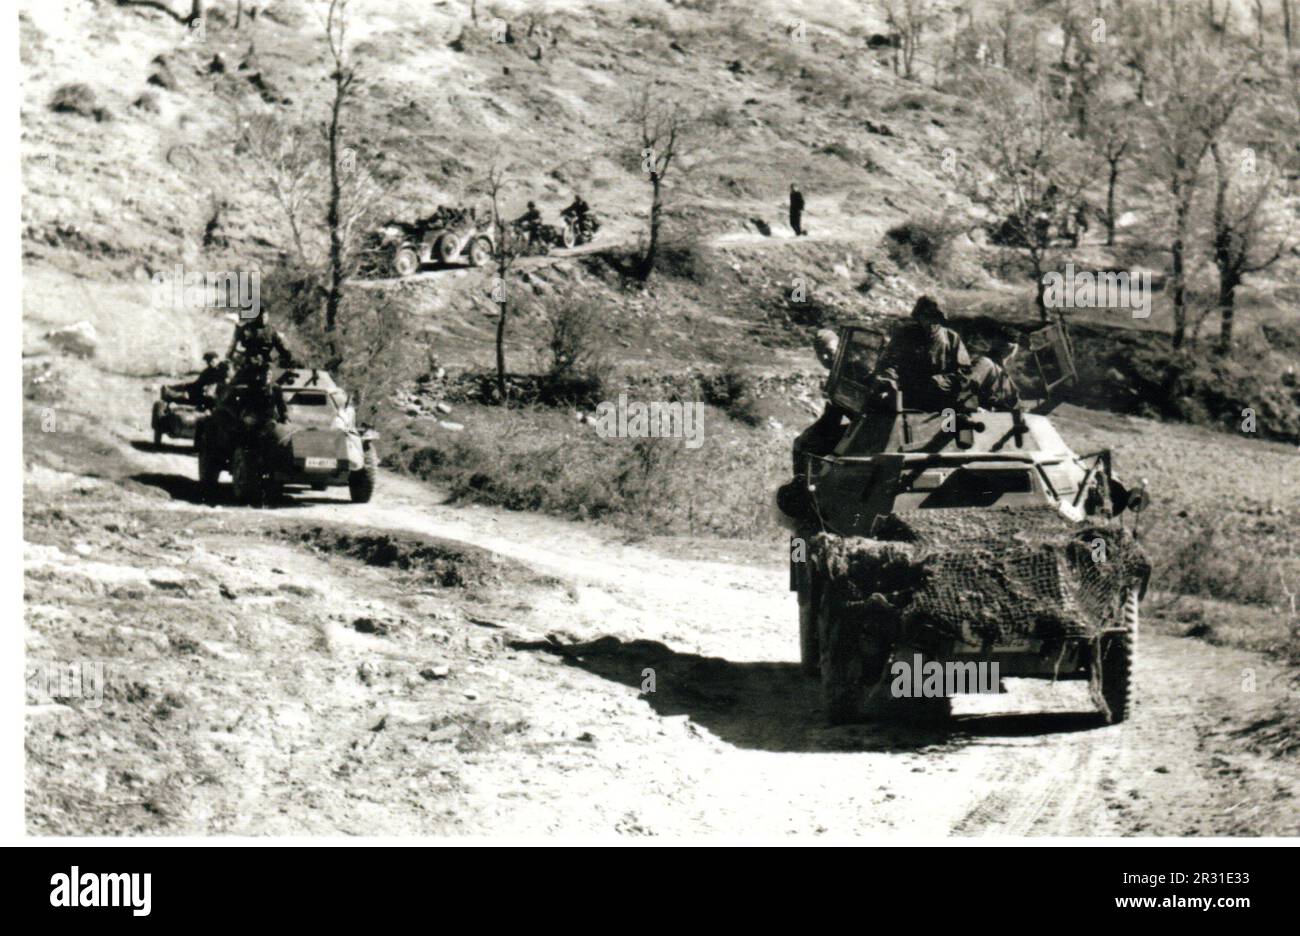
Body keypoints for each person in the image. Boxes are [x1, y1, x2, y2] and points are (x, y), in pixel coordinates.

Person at [872, 295, 971, 411]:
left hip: (940, 403)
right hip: (906, 398)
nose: (930, 321)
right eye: (926, 316)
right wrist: (890, 376)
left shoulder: (951, 339)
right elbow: (887, 362)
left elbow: (964, 372)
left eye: (935, 317)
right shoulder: (904, 335)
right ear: (918, 316)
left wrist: (942, 381)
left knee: (950, 426)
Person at [228, 310, 295, 384]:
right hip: (249, 361)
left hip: (265, 362)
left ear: (268, 317)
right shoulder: (247, 328)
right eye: (261, 317)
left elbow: (281, 347)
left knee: (270, 378)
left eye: (265, 317)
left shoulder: (271, 331)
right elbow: (235, 345)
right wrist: (232, 356)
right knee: (237, 382)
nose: (263, 319)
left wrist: (289, 358)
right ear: (256, 317)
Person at [969, 338, 1021, 411]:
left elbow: (1014, 404)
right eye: (1003, 337)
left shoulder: (1004, 375)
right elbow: (965, 387)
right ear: (994, 342)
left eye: (1013, 341)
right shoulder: (985, 363)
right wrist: (974, 409)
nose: (1010, 345)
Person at [162, 351, 227, 408]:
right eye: (208, 361)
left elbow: (226, 381)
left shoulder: (225, 367)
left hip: (219, 397)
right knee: (191, 391)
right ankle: (171, 390)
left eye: (212, 360)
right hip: (209, 395)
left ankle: (171, 395)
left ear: (218, 359)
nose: (210, 363)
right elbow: (197, 384)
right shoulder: (208, 371)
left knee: (192, 396)